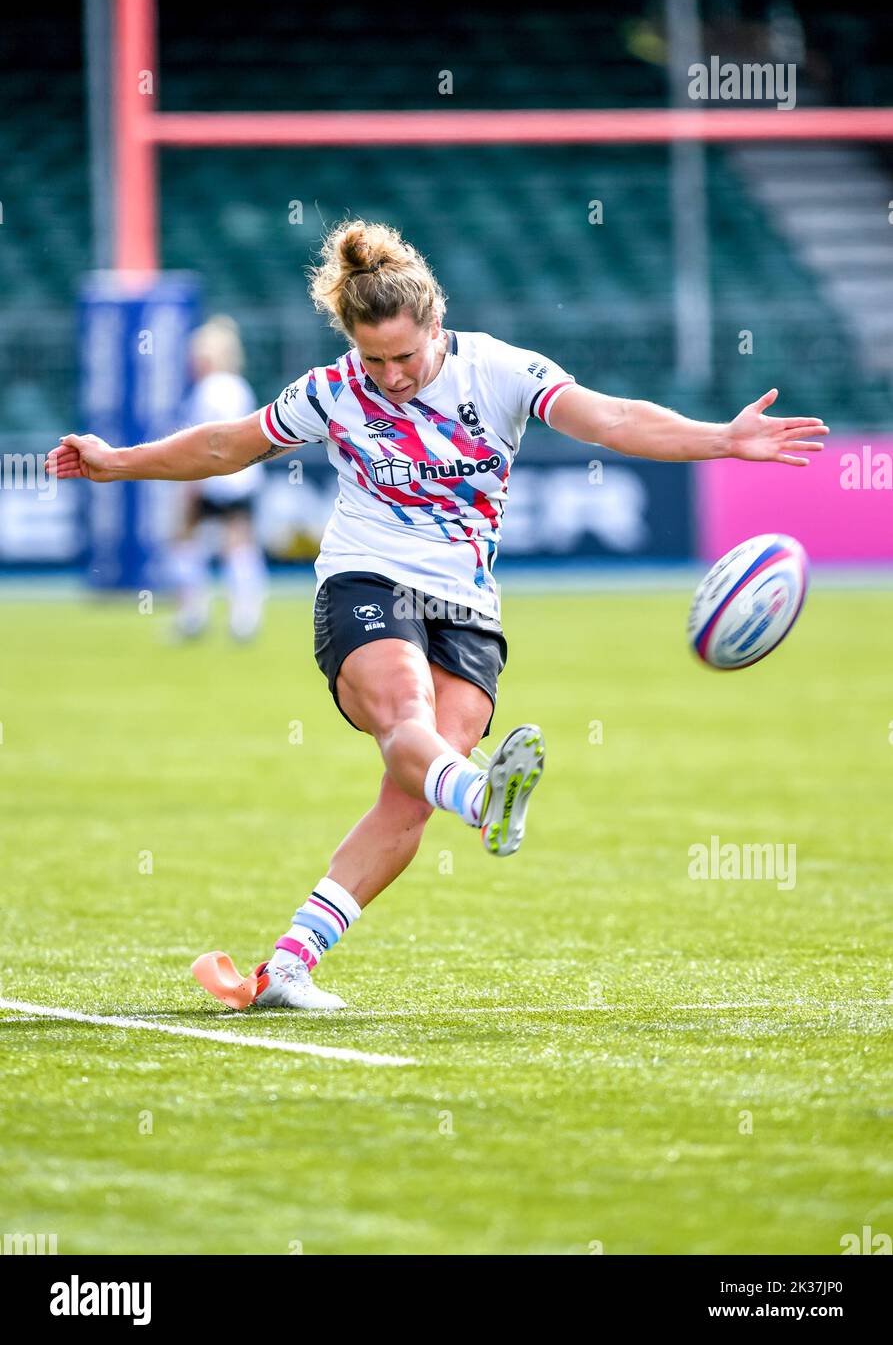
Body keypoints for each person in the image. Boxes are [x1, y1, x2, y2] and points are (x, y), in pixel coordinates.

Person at [48, 219, 828, 1013]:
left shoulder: (503, 371)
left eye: (405, 357)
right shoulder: (330, 389)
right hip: (365, 580)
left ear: (436, 324)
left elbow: (616, 420)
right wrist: (119, 462)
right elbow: (227, 447)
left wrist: (723, 439)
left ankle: (287, 964)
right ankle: (485, 799)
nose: (389, 376)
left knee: (414, 786)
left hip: (467, 608)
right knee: (407, 722)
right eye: (373, 358)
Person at [171, 315, 267, 642]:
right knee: (239, 546)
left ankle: (193, 614)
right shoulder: (238, 386)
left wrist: (191, 483)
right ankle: (244, 617)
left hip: (215, 477)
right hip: (243, 477)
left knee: (186, 540)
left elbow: (202, 441)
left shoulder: (207, 390)